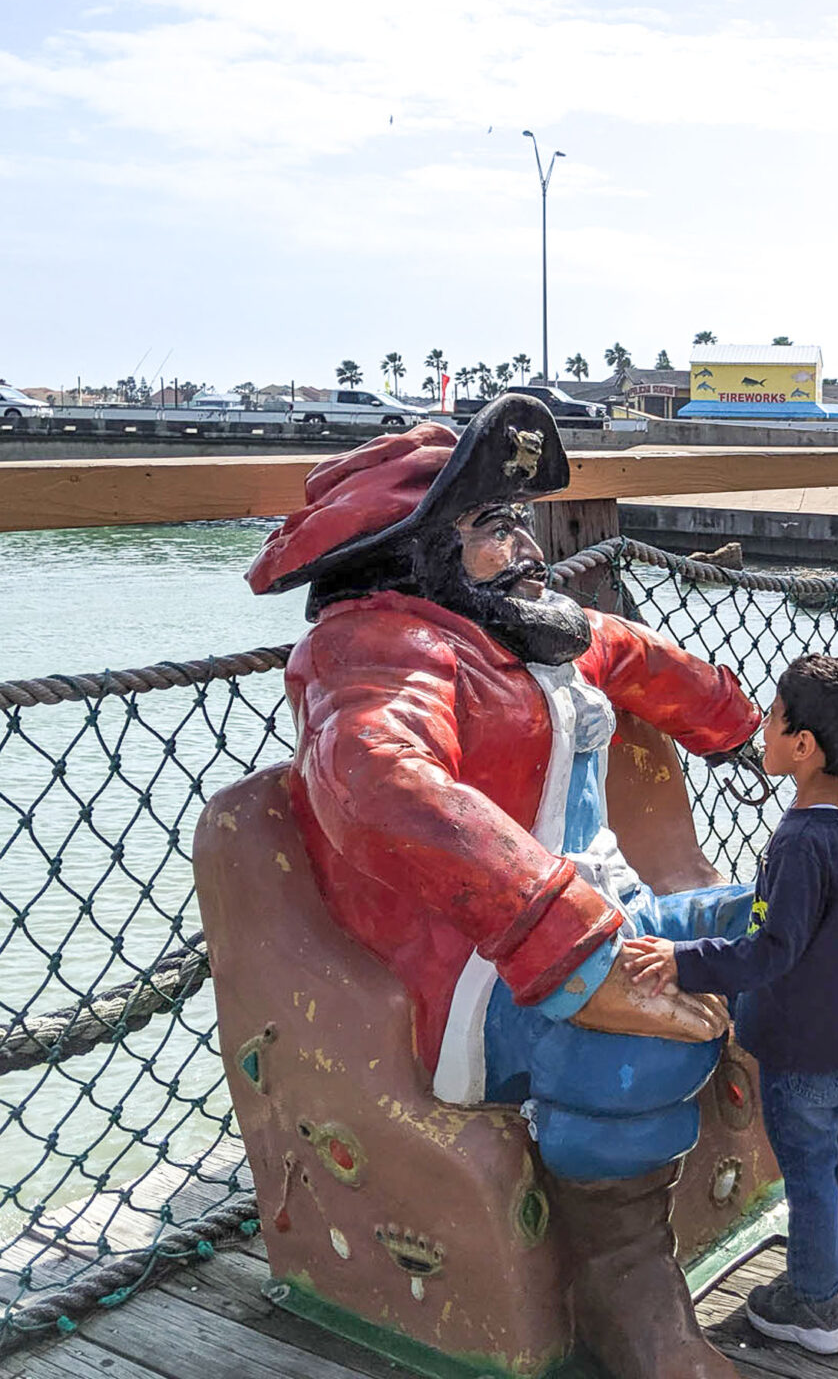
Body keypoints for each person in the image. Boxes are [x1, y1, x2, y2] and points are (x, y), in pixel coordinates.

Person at [245, 392, 764, 1379]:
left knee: (806, 915)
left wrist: (746, 730)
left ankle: (828, 1183)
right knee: (621, 1040)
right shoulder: (378, 651)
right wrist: (575, 955)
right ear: (413, 550)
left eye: (517, 518)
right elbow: (380, 783)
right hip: (483, 975)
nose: (525, 542)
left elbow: (638, 659)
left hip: (613, 917)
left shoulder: (523, 629)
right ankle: (626, 1288)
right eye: (490, 525)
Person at [622, 654, 838, 1356]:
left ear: (802, 745)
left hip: (802, 1049)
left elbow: (769, 949)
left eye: (771, 718)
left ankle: (814, 1306)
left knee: (808, 1173)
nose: (762, 728)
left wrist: (682, 961)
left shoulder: (799, 842)